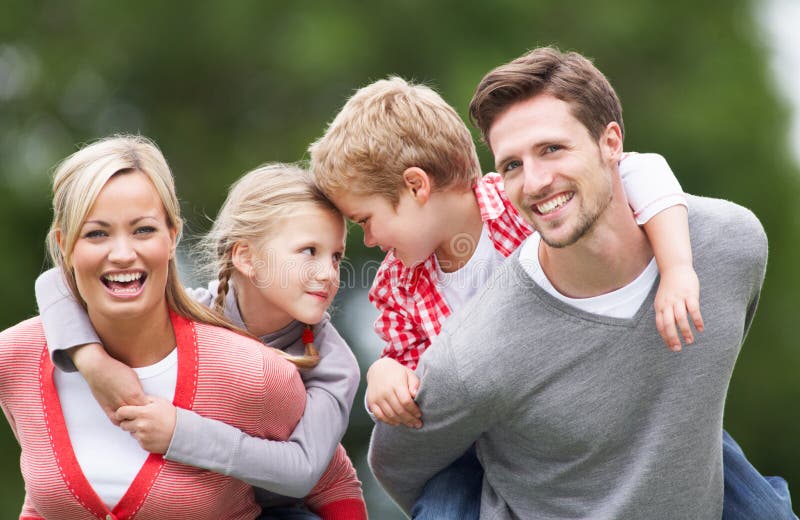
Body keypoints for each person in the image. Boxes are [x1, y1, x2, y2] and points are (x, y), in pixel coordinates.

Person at [365, 47, 794, 519]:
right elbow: (401, 462)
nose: (534, 182)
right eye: (511, 165)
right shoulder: (471, 353)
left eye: (552, 149)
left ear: (612, 143)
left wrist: (677, 269)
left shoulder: (730, 245)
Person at [308, 76, 700, 518]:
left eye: (367, 219)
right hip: (495, 439)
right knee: (442, 502)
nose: (371, 239)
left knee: (722, 469)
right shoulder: (396, 285)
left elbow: (638, 170)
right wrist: (385, 372)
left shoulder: (521, 198)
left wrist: (676, 268)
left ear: (417, 186)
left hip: (601, 394)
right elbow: (416, 370)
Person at [34, 163, 368, 519]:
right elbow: (54, 281)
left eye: (336, 256)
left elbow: (303, 471)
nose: (328, 273)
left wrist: (180, 433)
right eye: (308, 252)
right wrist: (91, 361)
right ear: (246, 258)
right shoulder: (192, 313)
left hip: (288, 508)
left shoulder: (334, 363)